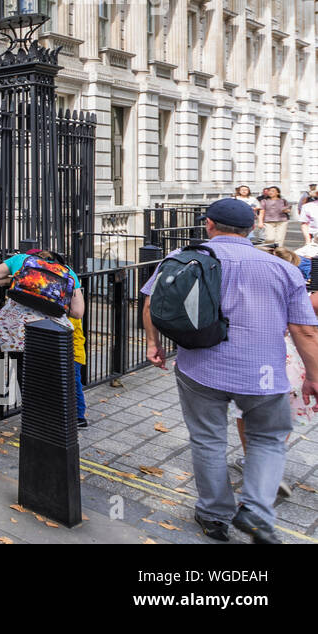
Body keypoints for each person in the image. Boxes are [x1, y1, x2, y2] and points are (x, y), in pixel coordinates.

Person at [142, 198, 318, 544]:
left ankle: (213, 515)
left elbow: (150, 303)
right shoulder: (284, 269)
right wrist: (313, 375)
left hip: (199, 367)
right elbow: (304, 331)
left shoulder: (182, 258)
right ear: (253, 227)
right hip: (264, 373)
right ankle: (256, 511)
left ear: (208, 225)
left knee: (207, 439)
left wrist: (153, 345)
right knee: (267, 441)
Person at [227, 247, 318, 499]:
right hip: (295, 366)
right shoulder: (303, 295)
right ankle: (270, 464)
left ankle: (253, 464)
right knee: (283, 414)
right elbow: (309, 334)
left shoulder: (248, 293)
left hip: (258, 360)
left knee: (245, 412)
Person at [0, 249, 86, 421]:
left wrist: (14, 280)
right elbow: (78, 312)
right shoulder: (67, 271)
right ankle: (57, 417)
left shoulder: (19, 260)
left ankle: (33, 416)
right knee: (51, 374)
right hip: (52, 332)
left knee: (25, 373)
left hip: (18, 330)